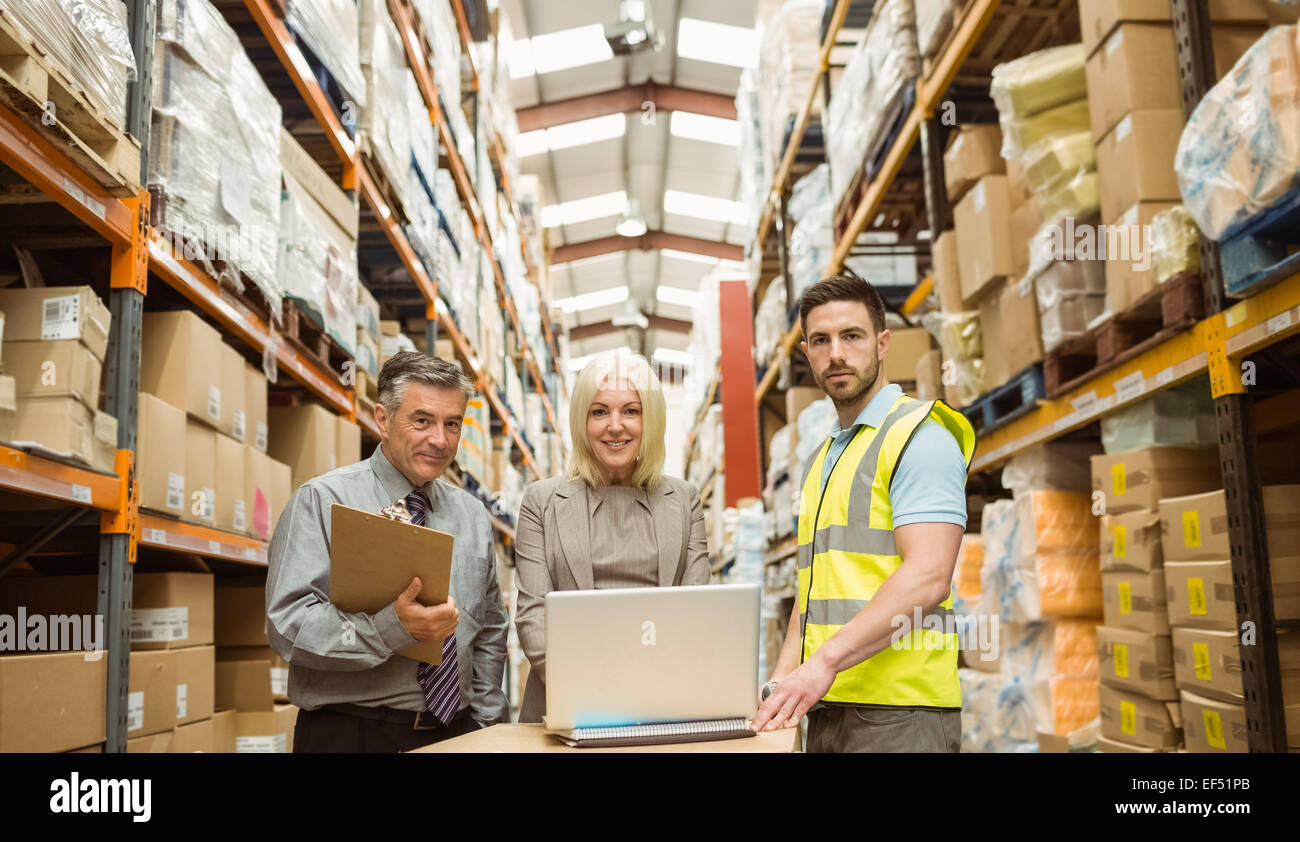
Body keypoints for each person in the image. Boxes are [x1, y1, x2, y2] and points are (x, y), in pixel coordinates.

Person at [750, 275, 975, 753]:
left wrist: (823, 664)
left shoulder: (920, 435)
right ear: (807, 353)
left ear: (882, 342)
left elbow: (929, 576)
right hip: (828, 707)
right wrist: (780, 684)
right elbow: (810, 594)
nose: (836, 353)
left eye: (851, 336)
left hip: (901, 714)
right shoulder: (823, 460)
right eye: (820, 340)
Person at [266, 351, 507, 752]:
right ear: (382, 419)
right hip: (352, 733)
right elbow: (288, 625)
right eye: (422, 420)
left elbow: (491, 628)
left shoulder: (471, 514)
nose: (440, 440)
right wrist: (390, 629)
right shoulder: (323, 500)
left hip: (457, 733)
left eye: (452, 424)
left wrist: (482, 720)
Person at [513, 349, 709, 723]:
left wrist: (651, 694)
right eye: (599, 411)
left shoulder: (684, 501)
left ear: (649, 420)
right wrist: (593, 692)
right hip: (567, 706)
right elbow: (532, 617)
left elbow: (694, 613)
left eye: (631, 411)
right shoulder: (542, 502)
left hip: (665, 705)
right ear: (581, 421)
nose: (615, 426)